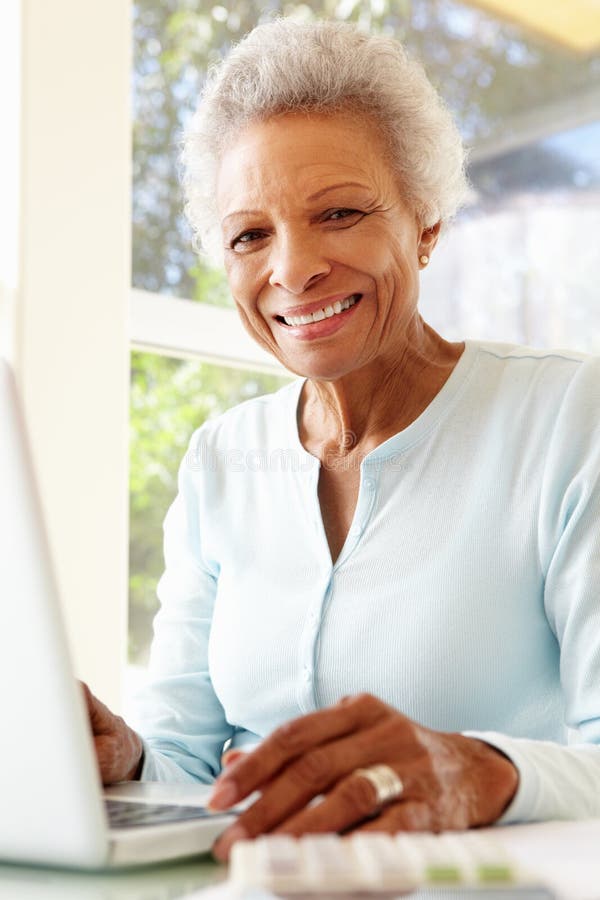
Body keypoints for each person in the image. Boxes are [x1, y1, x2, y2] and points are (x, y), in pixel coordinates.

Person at [84, 18, 600, 862]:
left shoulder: (571, 414)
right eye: (251, 234)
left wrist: (483, 772)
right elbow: (184, 764)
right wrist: (124, 757)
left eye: (339, 213)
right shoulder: (220, 459)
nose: (293, 270)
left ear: (426, 224)